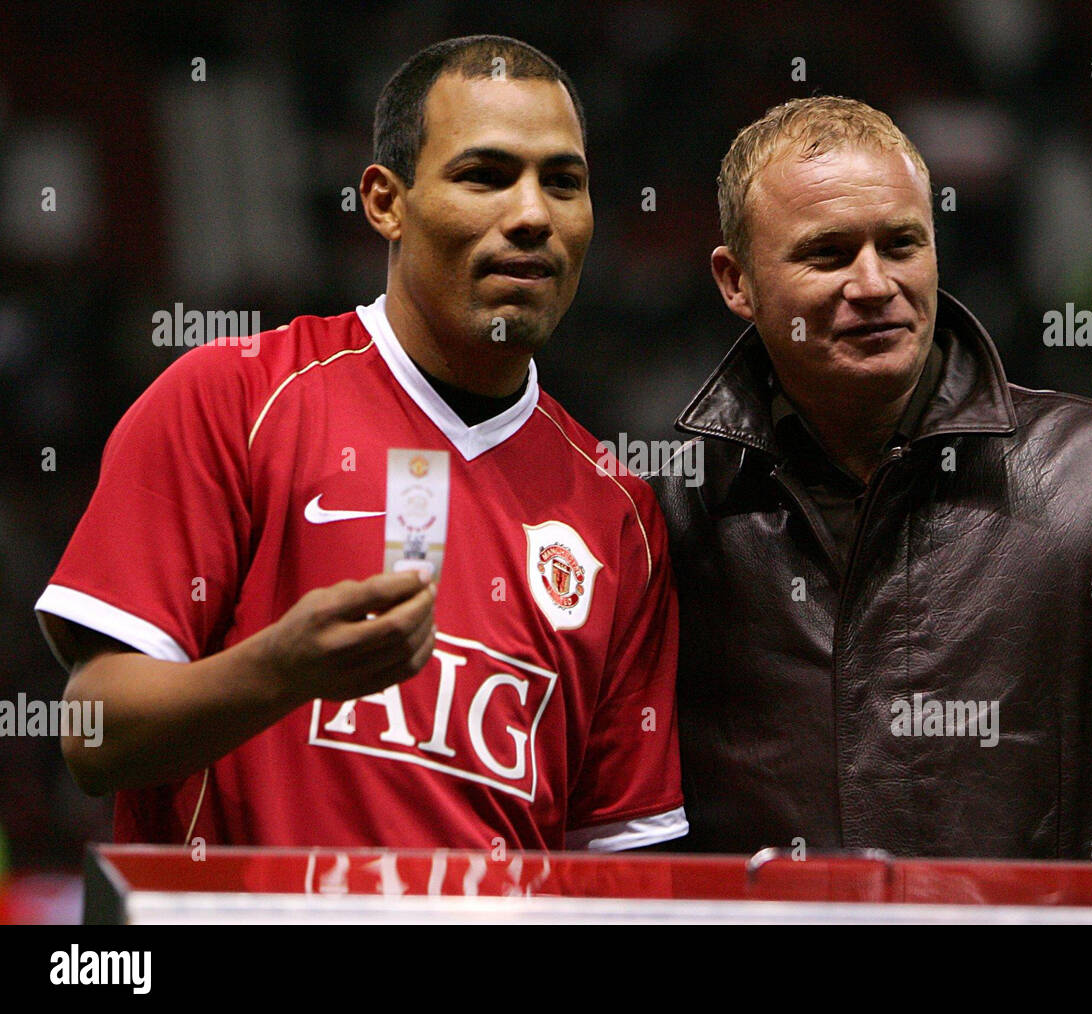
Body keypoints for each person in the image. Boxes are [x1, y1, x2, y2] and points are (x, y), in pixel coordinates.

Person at [35, 35, 686, 853]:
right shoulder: (232, 396)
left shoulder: (618, 511)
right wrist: (279, 671)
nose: (532, 215)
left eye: (564, 183)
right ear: (385, 202)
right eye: (485, 175)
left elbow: (614, 859)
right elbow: (94, 736)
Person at [649, 96, 1092, 862]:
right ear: (736, 281)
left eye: (901, 244)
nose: (874, 282)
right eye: (827, 253)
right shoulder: (661, 509)